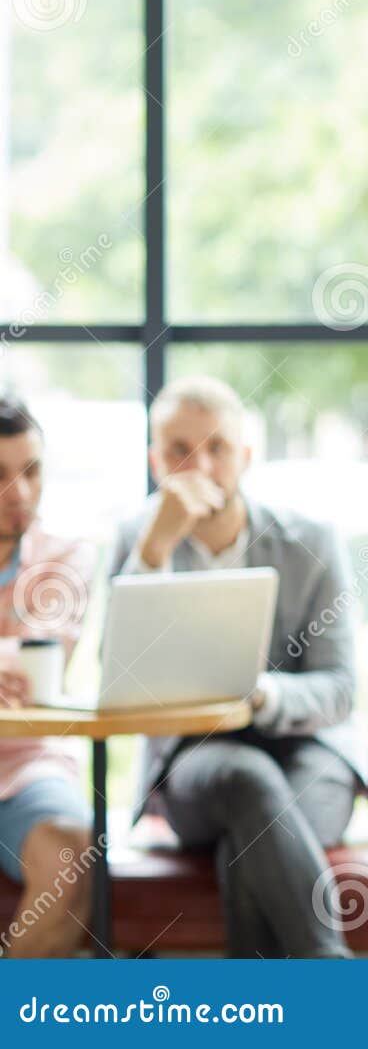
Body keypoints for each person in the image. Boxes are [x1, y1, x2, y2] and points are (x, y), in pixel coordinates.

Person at [110, 376, 368, 958]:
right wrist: (152, 554)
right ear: (156, 461)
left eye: (217, 447)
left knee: (251, 850)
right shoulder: (138, 539)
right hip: (198, 763)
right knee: (250, 784)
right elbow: (122, 683)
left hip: (311, 755)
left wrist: (259, 697)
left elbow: (340, 688)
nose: (200, 465)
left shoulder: (311, 540)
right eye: (179, 449)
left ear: (247, 456)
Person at [0, 397, 94, 958]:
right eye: (0, 476)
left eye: (32, 471)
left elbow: (40, 664)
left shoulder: (67, 557)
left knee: (71, 857)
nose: (21, 493)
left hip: (27, 766)